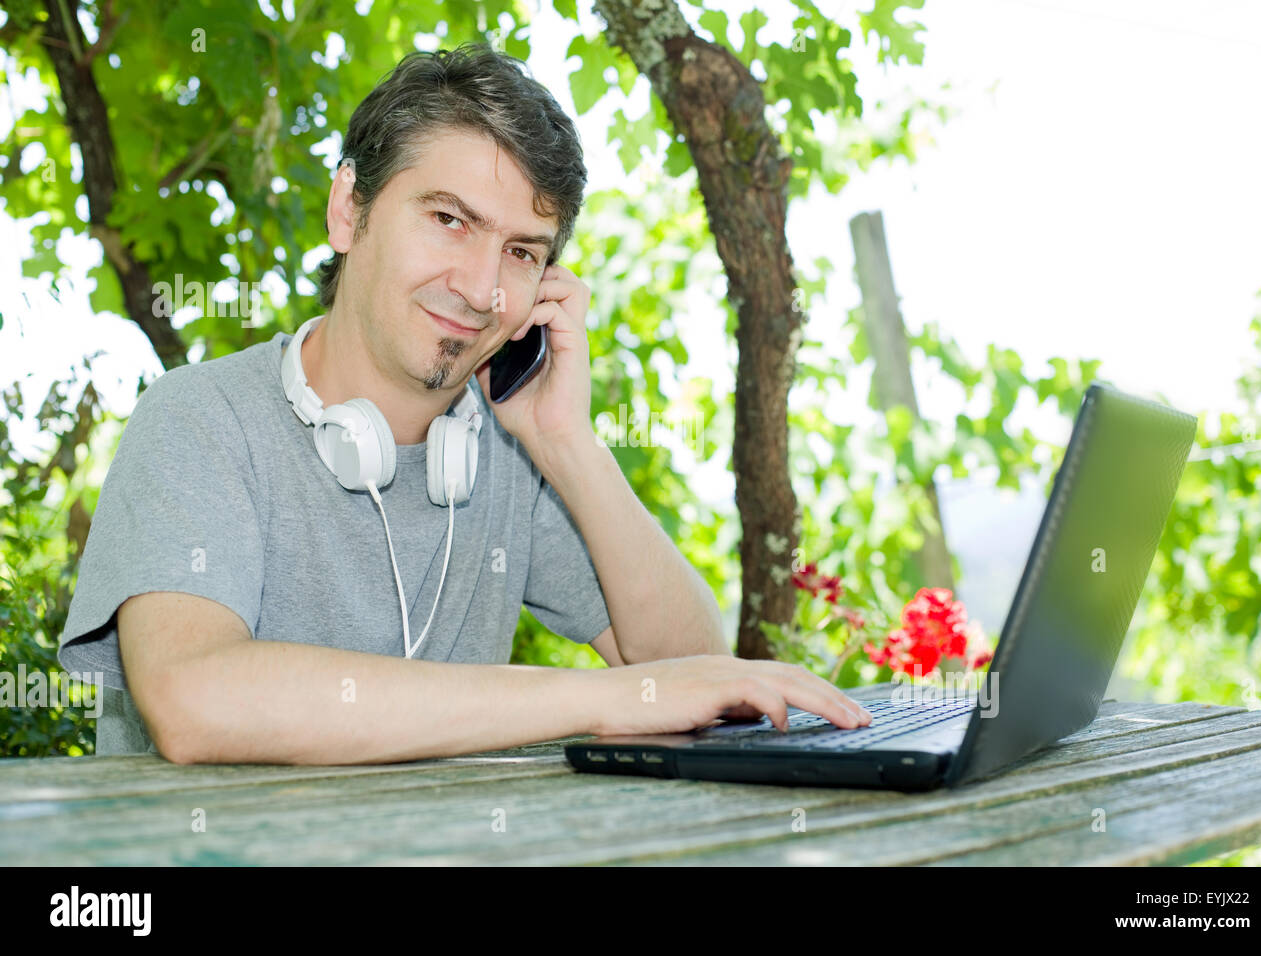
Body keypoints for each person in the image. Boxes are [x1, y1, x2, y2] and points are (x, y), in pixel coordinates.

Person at [57, 43, 872, 764]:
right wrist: (593, 701)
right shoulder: (198, 419)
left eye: (520, 252)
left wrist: (568, 445)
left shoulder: (511, 454)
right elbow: (196, 700)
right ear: (350, 210)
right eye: (449, 219)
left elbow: (689, 663)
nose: (483, 290)